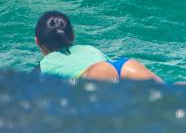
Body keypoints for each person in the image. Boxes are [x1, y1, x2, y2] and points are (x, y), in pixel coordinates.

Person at [34, 11, 163, 83]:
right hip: (124, 66)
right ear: (72, 36)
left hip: (94, 76)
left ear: (37, 42)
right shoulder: (89, 49)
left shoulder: (42, 67)